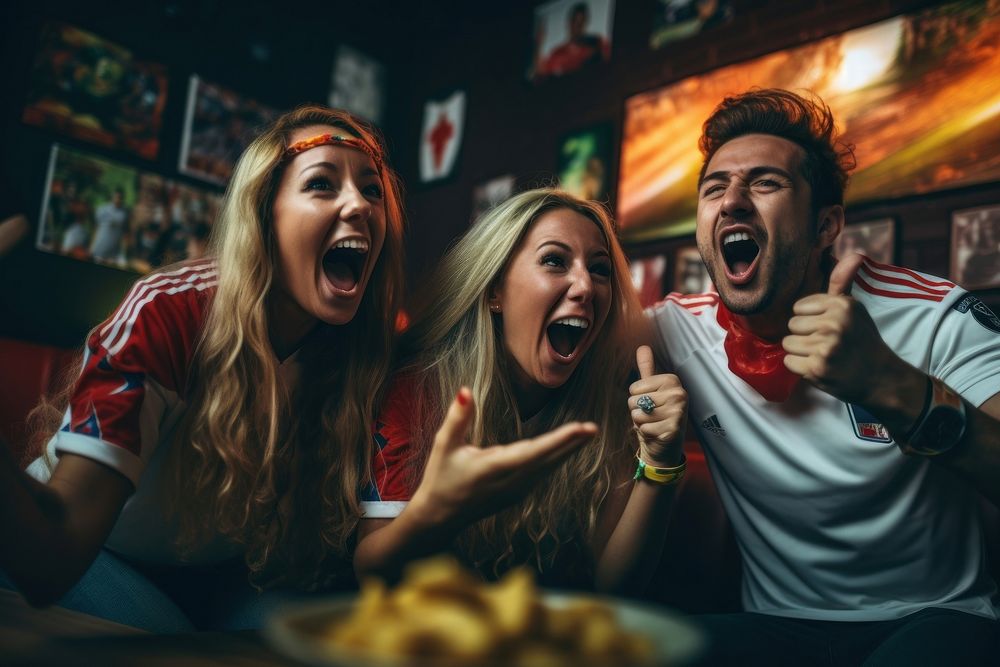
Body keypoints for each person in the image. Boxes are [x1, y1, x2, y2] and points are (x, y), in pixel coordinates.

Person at [0, 105, 406, 632]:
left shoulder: (361, 355)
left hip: (219, 575)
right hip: (97, 552)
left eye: (372, 190)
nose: (360, 205)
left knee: (325, 637)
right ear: (265, 215)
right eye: (322, 184)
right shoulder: (169, 312)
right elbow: (52, 556)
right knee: (167, 640)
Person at [646, 89, 1000, 665]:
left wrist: (893, 386)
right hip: (774, 628)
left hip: (936, 617)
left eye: (765, 183)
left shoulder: (931, 316)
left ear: (825, 226)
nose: (733, 200)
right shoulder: (675, 331)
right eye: (714, 188)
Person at [355, 188, 688, 593]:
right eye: (554, 261)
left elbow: (612, 588)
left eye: (599, 269)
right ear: (495, 291)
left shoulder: (611, 408)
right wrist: (435, 511)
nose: (585, 286)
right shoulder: (417, 392)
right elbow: (372, 574)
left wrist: (661, 461)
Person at [533, 2, 610, 81]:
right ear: (569, 23)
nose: (577, 27)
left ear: (585, 23)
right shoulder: (558, 52)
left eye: (580, 23)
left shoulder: (597, 43)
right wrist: (539, 44)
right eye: (575, 22)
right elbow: (540, 76)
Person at [88, 187, 130, 264]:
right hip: (98, 250)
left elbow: (125, 235)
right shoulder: (102, 210)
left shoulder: (124, 214)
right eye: (116, 197)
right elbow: (95, 229)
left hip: (113, 254)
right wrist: (91, 248)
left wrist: (123, 254)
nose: (117, 200)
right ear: (112, 197)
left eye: (120, 198)